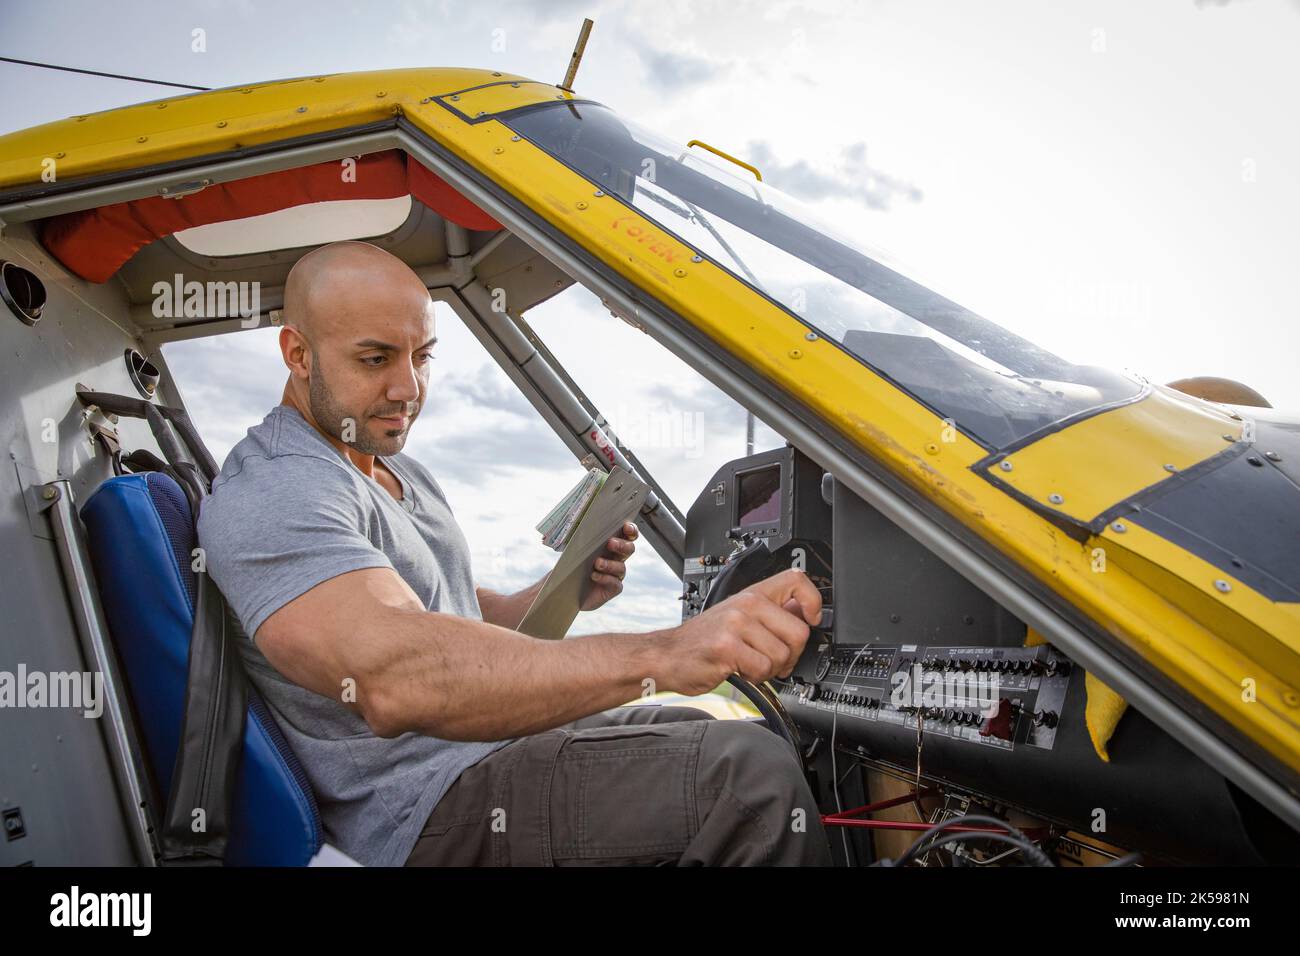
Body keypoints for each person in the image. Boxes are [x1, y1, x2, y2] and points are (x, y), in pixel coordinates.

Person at [196, 240, 831, 867]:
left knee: (742, 736)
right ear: (297, 353)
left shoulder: (399, 470)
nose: (407, 388)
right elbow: (396, 678)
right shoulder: (277, 489)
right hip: (426, 804)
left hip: (490, 747)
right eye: (375, 359)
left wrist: (565, 589)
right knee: (749, 785)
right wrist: (669, 650)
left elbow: (457, 618)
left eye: (422, 356)